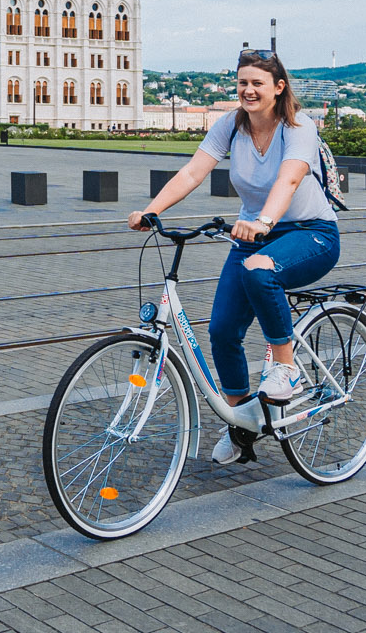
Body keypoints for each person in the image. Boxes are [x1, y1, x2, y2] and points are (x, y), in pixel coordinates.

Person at [132, 51, 340, 462]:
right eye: (242, 82)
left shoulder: (298, 127)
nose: (248, 90)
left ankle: (287, 369)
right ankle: (242, 426)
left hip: (309, 232)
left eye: (257, 83)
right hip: (252, 234)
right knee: (223, 331)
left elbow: (290, 176)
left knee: (260, 270)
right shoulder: (230, 125)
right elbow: (194, 171)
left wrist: (264, 220)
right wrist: (153, 210)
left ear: (278, 88)